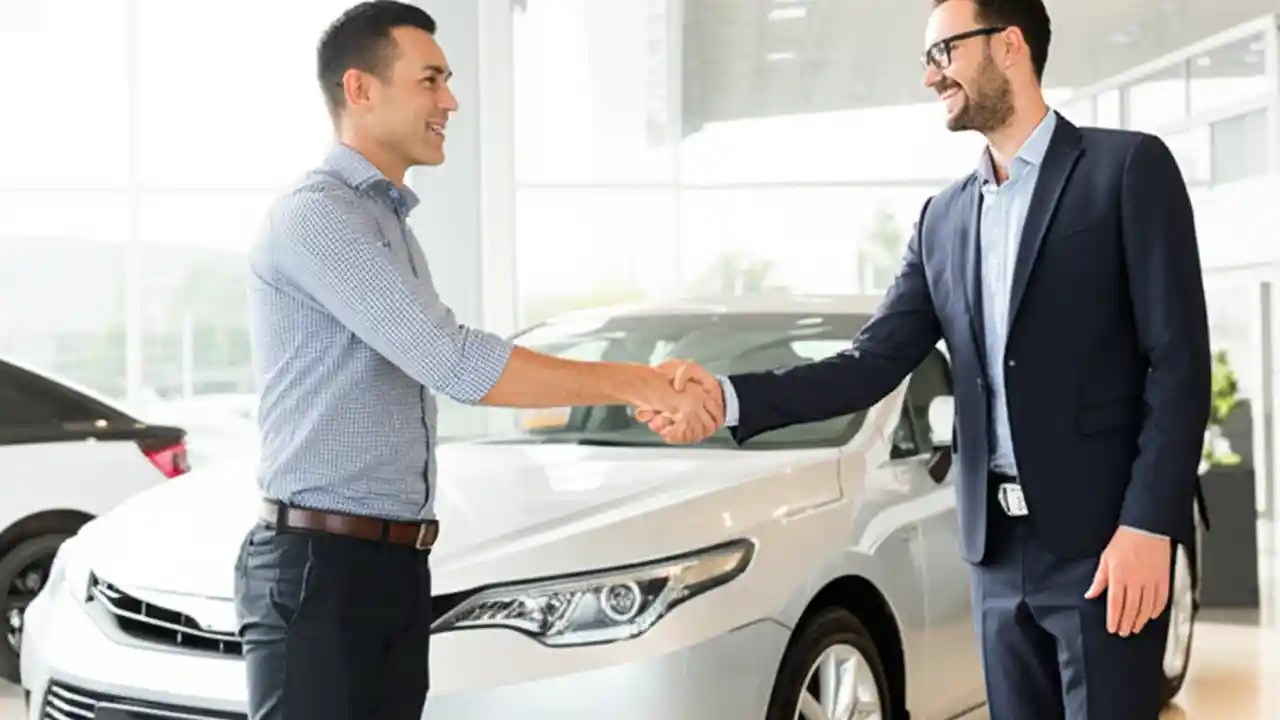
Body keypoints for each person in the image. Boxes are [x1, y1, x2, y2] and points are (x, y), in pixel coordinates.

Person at [639, 0, 1210, 717]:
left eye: (943, 52)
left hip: (1105, 546)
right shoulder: (943, 218)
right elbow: (869, 363)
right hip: (996, 552)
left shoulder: (1125, 170)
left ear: (1009, 45)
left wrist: (1148, 526)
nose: (930, 76)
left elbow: (1178, 364)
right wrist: (728, 398)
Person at [236, 2, 722, 719]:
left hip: (389, 567)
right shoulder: (320, 216)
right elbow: (454, 362)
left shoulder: (387, 222)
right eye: (430, 80)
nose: (450, 101)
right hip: (321, 572)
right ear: (361, 90)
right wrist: (641, 382)